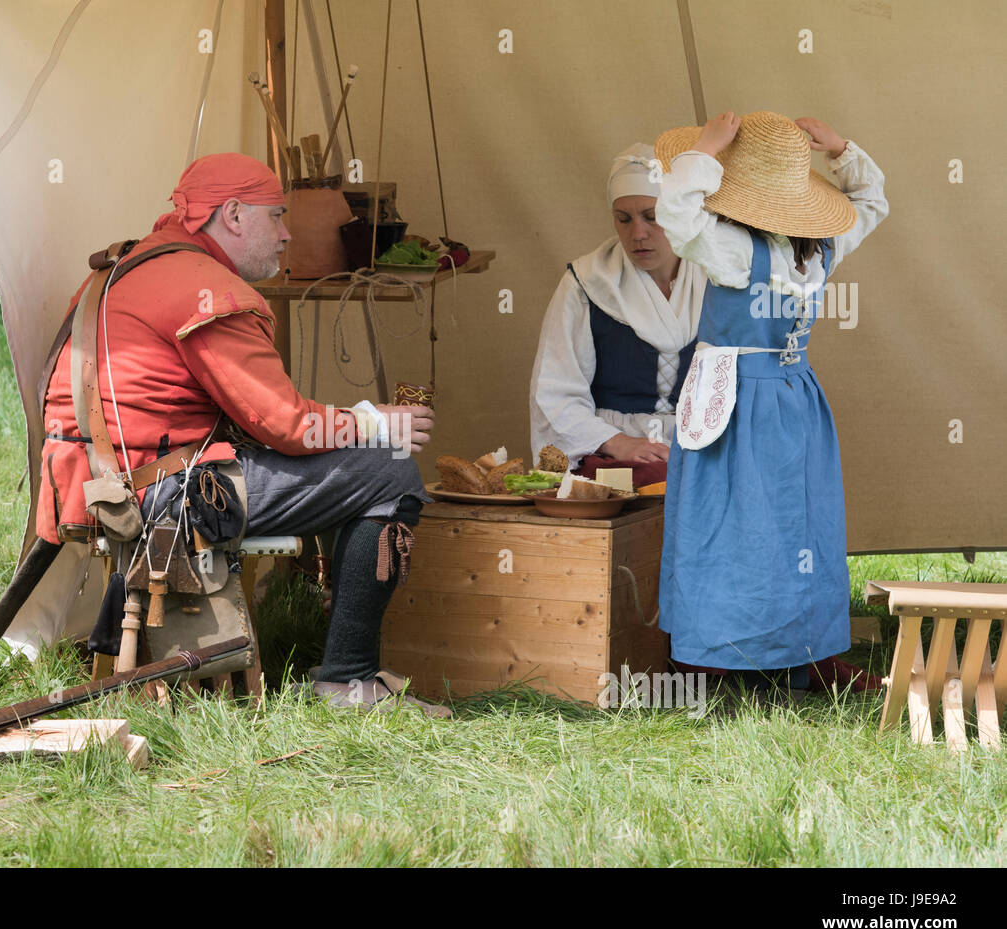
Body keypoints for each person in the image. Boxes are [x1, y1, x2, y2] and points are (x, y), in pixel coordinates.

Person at [38, 153, 447, 716]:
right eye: (275, 216)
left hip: (93, 487)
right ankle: (348, 680)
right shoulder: (204, 289)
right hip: (160, 497)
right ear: (231, 214)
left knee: (357, 460)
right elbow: (288, 426)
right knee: (387, 469)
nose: (285, 235)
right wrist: (376, 422)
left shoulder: (129, 264)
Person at [653, 111, 889, 694]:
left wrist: (706, 151)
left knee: (731, 520)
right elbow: (873, 202)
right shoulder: (821, 247)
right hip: (791, 396)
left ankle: (722, 650)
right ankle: (789, 646)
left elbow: (675, 214)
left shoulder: (732, 247)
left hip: (737, 403)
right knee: (794, 520)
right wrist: (842, 150)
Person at [529, 143, 707, 485]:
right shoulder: (587, 284)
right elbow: (554, 392)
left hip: (699, 449)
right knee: (651, 481)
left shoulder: (714, 279)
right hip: (611, 454)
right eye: (623, 219)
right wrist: (616, 442)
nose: (637, 234)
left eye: (652, 217)